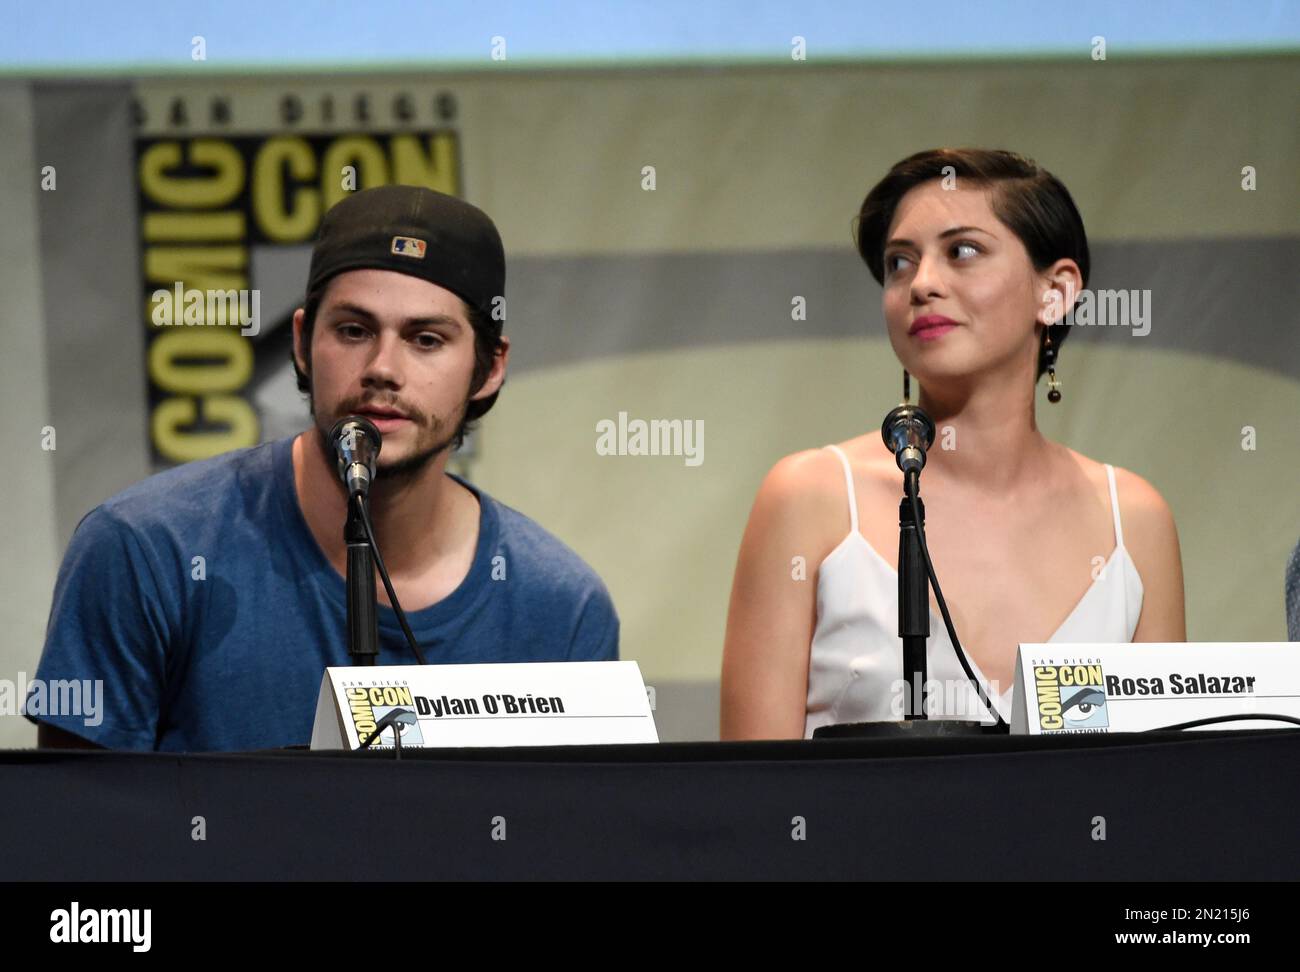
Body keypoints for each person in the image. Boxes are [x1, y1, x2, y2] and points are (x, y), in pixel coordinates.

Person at [29, 185, 619, 752]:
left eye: (426, 339)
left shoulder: (562, 608)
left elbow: (576, 822)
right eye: (353, 331)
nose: (383, 368)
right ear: (303, 342)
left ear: (489, 368)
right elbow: (77, 816)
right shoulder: (146, 551)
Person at [721, 148, 1185, 739]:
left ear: (1056, 291)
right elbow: (753, 783)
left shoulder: (1134, 520)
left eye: (962, 251)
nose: (922, 284)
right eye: (899, 263)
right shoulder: (809, 497)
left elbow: (1161, 778)